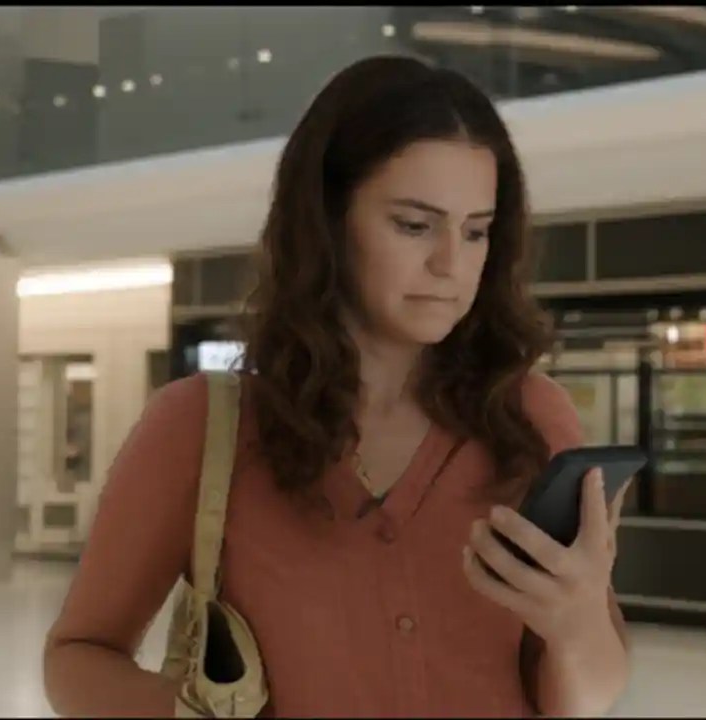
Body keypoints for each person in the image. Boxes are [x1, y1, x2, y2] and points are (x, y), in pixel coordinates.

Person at [42, 56, 630, 718]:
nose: (449, 263)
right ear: (326, 218)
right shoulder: (202, 427)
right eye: (413, 224)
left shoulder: (530, 416)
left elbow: (582, 697)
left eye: (476, 231)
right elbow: (79, 656)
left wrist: (579, 625)